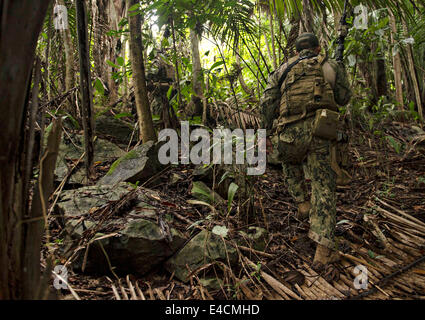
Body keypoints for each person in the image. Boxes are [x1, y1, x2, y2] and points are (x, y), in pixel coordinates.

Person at [260, 32, 352, 266]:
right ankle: (323, 249)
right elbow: (343, 98)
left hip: (289, 133)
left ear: (296, 51)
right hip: (319, 131)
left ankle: (302, 203)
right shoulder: (328, 66)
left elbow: (267, 105)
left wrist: (269, 130)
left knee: (288, 161)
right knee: (323, 185)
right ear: (318, 48)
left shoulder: (282, 70)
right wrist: (338, 70)